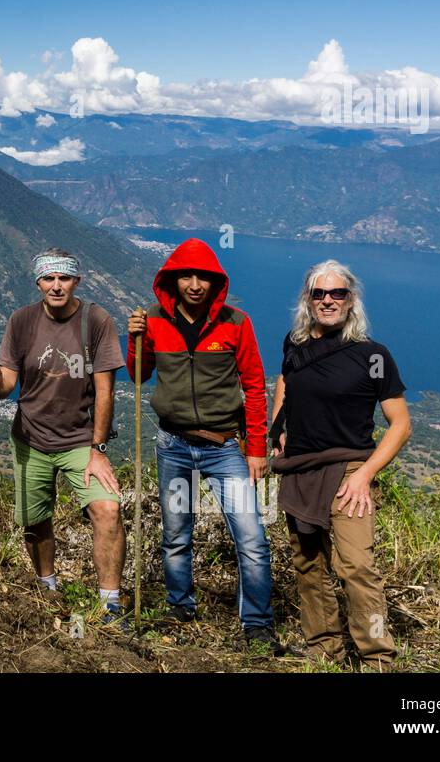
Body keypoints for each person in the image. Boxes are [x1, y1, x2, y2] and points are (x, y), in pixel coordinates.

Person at [125, 238, 280, 653]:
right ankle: (180, 606)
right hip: (172, 445)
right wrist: (134, 340)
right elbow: (139, 376)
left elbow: (254, 386)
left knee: (251, 536)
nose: (195, 285)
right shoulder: (154, 320)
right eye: (186, 277)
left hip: (225, 447)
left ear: (216, 283)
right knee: (176, 533)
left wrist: (257, 449)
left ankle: (258, 624)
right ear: (172, 281)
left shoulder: (236, 323)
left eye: (204, 278)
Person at [269, 259, 411, 670]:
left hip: (349, 470)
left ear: (352, 301)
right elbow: (286, 381)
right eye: (319, 293)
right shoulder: (294, 344)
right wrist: (278, 428)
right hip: (300, 468)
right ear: (307, 300)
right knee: (308, 564)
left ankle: (378, 658)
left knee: (357, 568)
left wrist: (366, 475)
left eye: (338, 293)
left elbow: (400, 426)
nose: (328, 300)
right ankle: (323, 650)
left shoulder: (373, 356)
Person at [0, 248, 128, 623]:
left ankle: (109, 603)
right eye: (49, 278)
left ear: (76, 281)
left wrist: (98, 449)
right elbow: (10, 379)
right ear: (38, 282)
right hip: (31, 438)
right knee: (35, 520)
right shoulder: (22, 320)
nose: (57, 286)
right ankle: (47, 587)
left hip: (81, 440)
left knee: (107, 510)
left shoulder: (96, 319)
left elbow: (105, 389)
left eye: (64, 278)